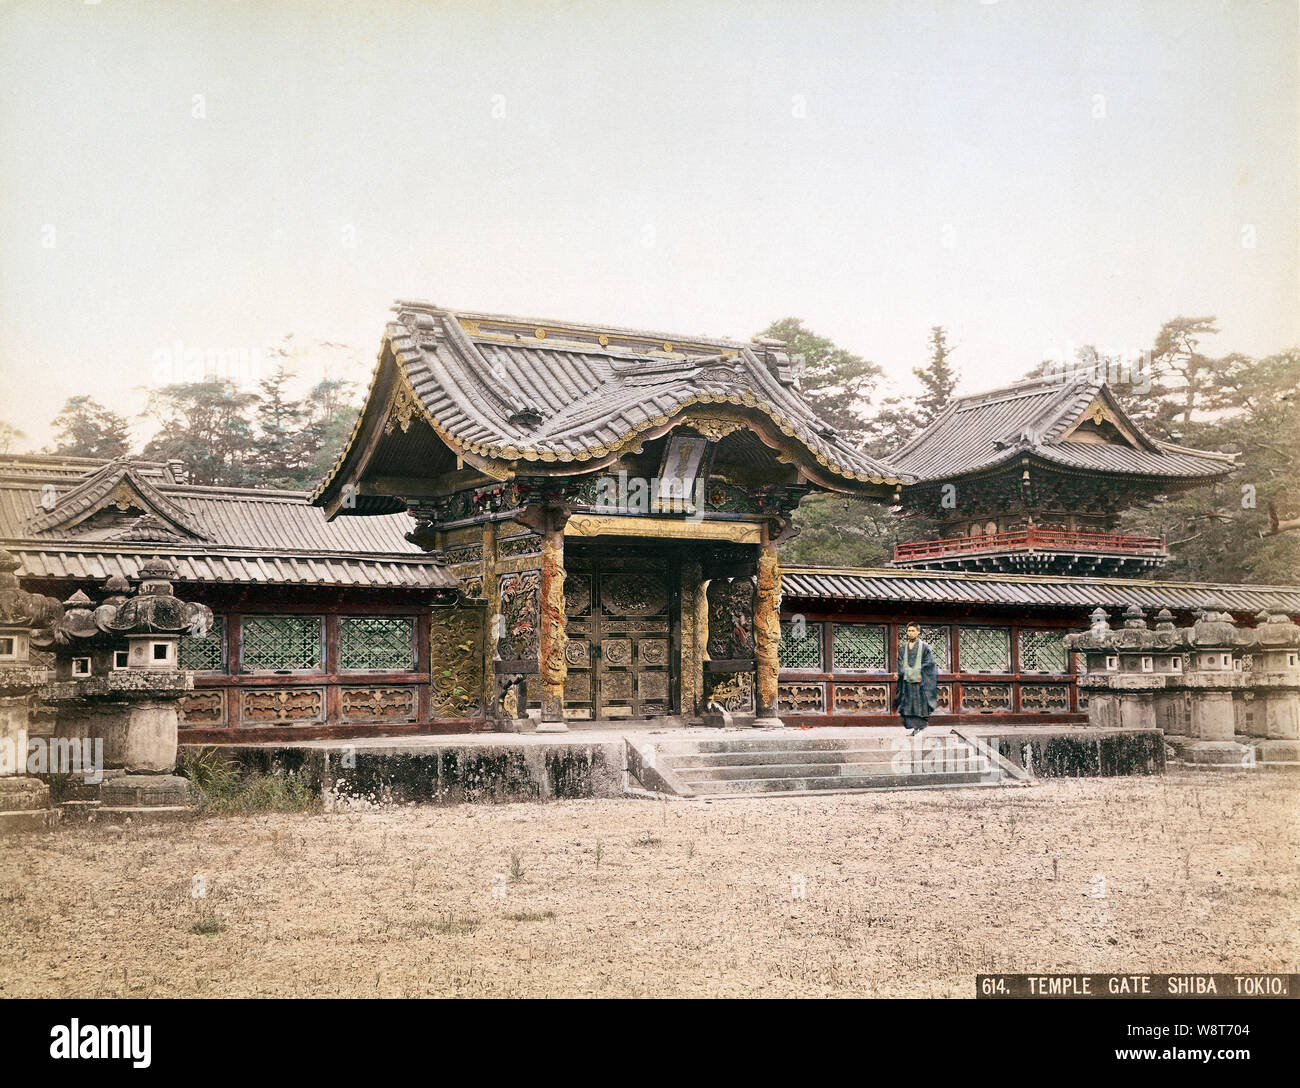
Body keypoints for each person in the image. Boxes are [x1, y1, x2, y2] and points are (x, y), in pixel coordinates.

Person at [893, 622, 938, 736]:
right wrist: (902, 672)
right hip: (907, 682)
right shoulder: (903, 648)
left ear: (918, 632)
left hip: (920, 683)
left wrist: (916, 670)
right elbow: (900, 663)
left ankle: (920, 729)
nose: (910, 633)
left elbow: (930, 663)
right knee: (908, 706)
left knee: (920, 707)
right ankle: (913, 729)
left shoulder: (925, 647)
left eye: (913, 631)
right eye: (908, 631)